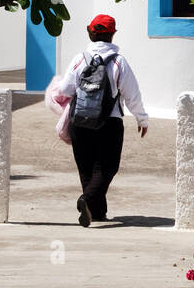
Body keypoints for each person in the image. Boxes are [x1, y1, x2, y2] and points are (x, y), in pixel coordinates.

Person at [57, 14, 149, 226]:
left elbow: (65, 89)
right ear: (112, 34)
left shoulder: (79, 58)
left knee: (86, 167)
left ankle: (97, 213)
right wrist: (141, 119)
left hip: (80, 120)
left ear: (90, 33)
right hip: (110, 122)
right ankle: (87, 201)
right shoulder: (119, 61)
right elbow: (131, 94)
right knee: (107, 167)